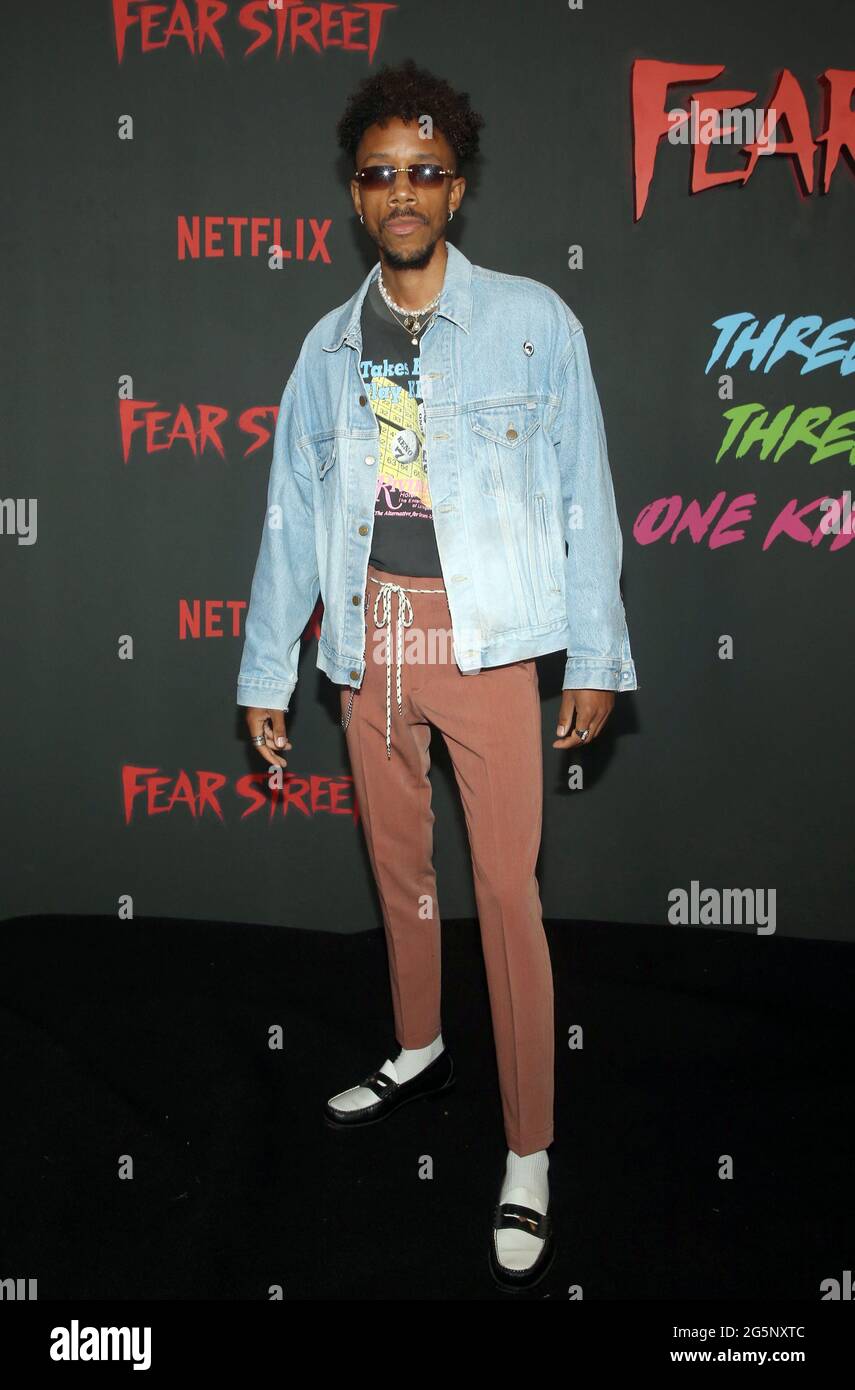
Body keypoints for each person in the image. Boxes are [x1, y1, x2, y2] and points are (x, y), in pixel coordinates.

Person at [236, 58, 638, 1291]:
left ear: (454, 189)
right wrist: (267, 665)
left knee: (506, 892)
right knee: (399, 869)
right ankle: (418, 1045)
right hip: (371, 641)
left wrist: (597, 649)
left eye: (424, 171)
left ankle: (529, 1147)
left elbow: (587, 499)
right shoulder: (325, 346)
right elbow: (294, 514)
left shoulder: (531, 322)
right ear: (356, 198)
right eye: (379, 174)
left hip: (487, 635)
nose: (402, 192)